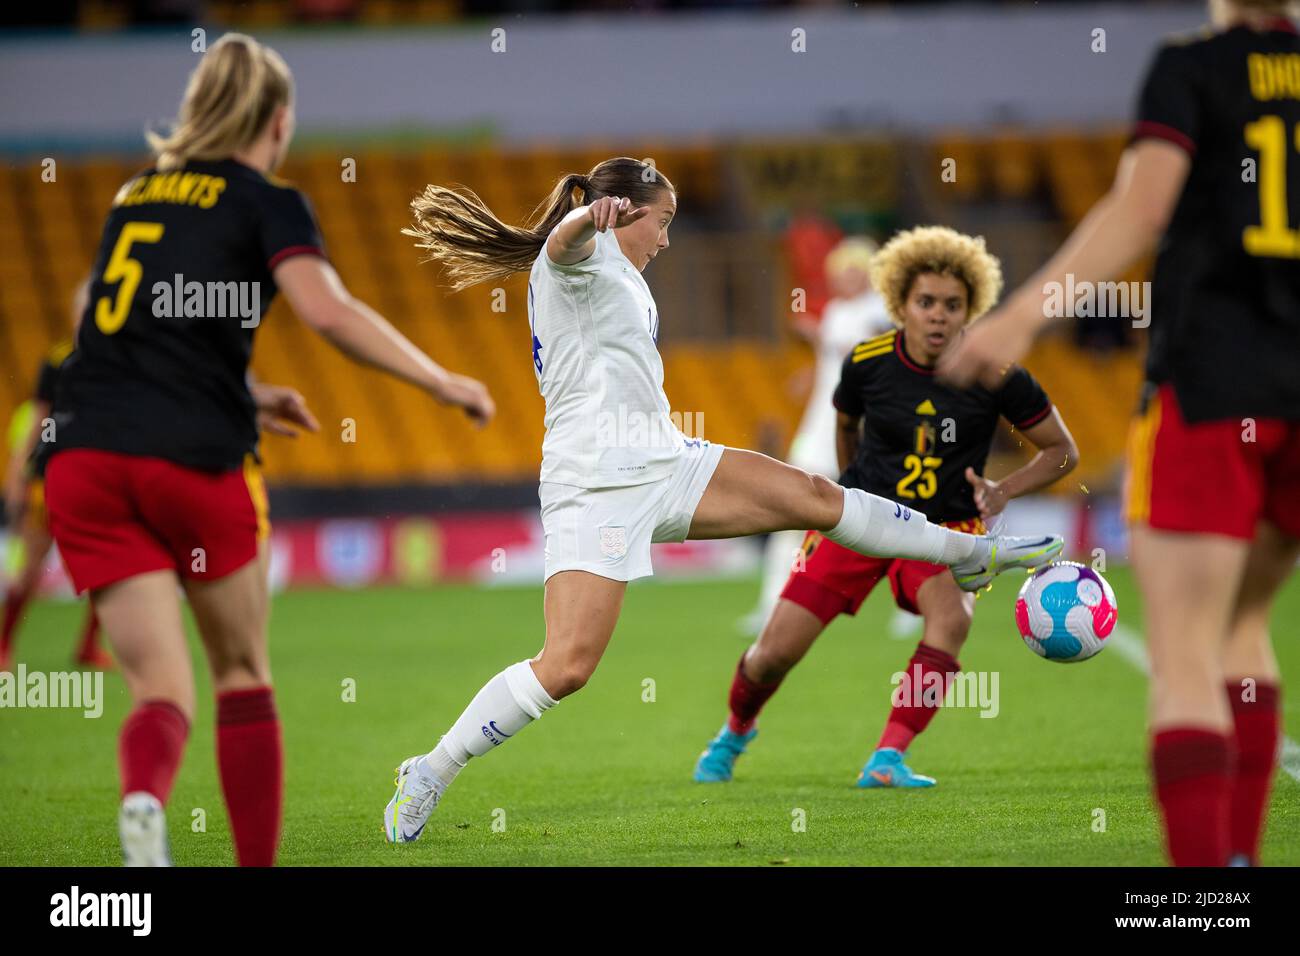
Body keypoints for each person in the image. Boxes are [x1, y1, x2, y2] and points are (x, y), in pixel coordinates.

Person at [383, 162, 1065, 844]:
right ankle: (431, 769)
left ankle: (975, 553)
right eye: (664, 222)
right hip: (595, 482)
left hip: (664, 457)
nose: (668, 239)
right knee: (567, 667)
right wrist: (584, 220)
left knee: (817, 495)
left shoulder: (625, 276)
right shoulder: (578, 257)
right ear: (623, 211)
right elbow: (560, 247)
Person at [43, 33, 494, 867]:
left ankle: (145, 804)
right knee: (242, 676)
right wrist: (439, 381)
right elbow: (328, 312)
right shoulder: (265, 201)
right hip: (188, 457)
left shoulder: (134, 196)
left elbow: (121, 336)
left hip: (83, 455)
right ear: (279, 120)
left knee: (158, 689)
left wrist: (246, 389)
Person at [940, 0, 1300, 866]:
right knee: (1247, 629)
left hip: (1212, 386)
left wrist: (1021, 317)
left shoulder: (1193, 68)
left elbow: (1140, 211)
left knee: (1184, 656)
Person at [695, 226, 1077, 787]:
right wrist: (852, 488)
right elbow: (845, 426)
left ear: (972, 306)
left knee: (951, 621)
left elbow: (1061, 452)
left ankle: (888, 756)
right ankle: (735, 728)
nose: (939, 315)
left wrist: (1005, 490)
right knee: (771, 654)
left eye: (953, 304)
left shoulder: (997, 373)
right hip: (859, 520)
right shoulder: (868, 362)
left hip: (946, 527)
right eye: (926, 302)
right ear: (902, 303)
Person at [741, 236, 894, 635]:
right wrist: (811, 368)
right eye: (841, 269)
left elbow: (881, 351)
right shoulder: (838, 312)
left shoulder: (880, 310)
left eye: (853, 268)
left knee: (894, 516)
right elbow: (834, 362)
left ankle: (912, 606)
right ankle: (771, 602)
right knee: (791, 511)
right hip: (821, 427)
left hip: (864, 429)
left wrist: (822, 340)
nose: (845, 276)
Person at [3, 307, 108, 671]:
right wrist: (18, 476)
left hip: (99, 480)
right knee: (31, 565)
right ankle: (3, 647)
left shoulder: (120, 359)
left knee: (108, 567)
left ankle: (89, 647)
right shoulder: (59, 361)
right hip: (52, 478)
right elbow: (38, 418)